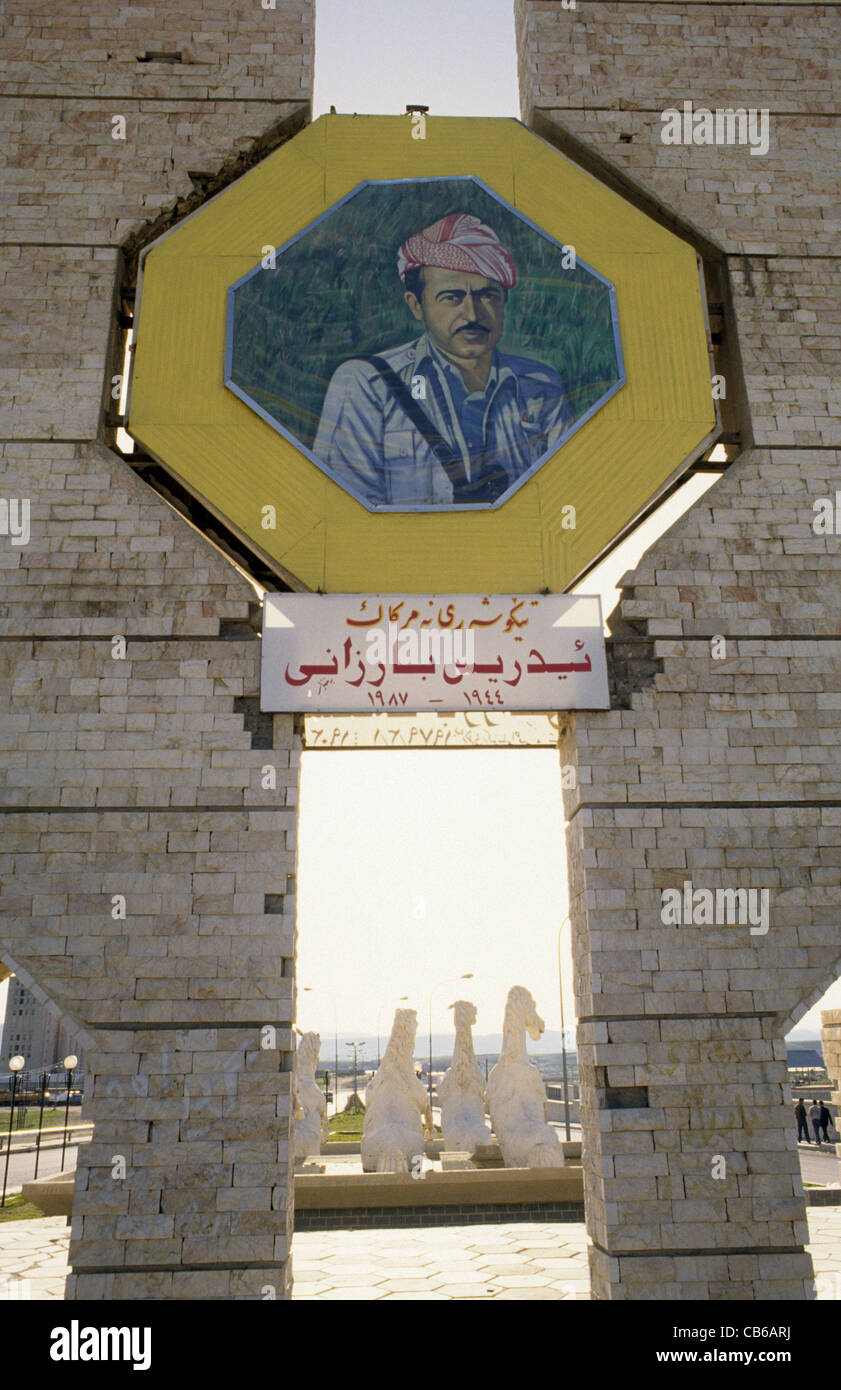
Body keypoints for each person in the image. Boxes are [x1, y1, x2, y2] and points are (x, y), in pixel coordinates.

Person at [313, 212, 575, 507]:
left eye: (487, 295)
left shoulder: (541, 387)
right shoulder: (366, 385)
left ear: (504, 303)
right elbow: (345, 514)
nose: (473, 314)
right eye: (451, 297)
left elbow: (562, 500)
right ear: (416, 305)